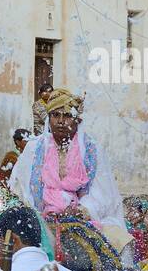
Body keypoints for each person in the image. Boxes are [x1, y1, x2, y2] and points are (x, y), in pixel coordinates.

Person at [10, 89, 129, 248]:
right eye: (55, 115)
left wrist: (81, 210)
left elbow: (103, 194)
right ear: (49, 118)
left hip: (84, 221)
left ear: (77, 120)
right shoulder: (34, 148)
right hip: (40, 220)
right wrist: (39, 215)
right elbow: (21, 189)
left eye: (66, 116)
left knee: (120, 242)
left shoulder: (92, 150)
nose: (60, 121)